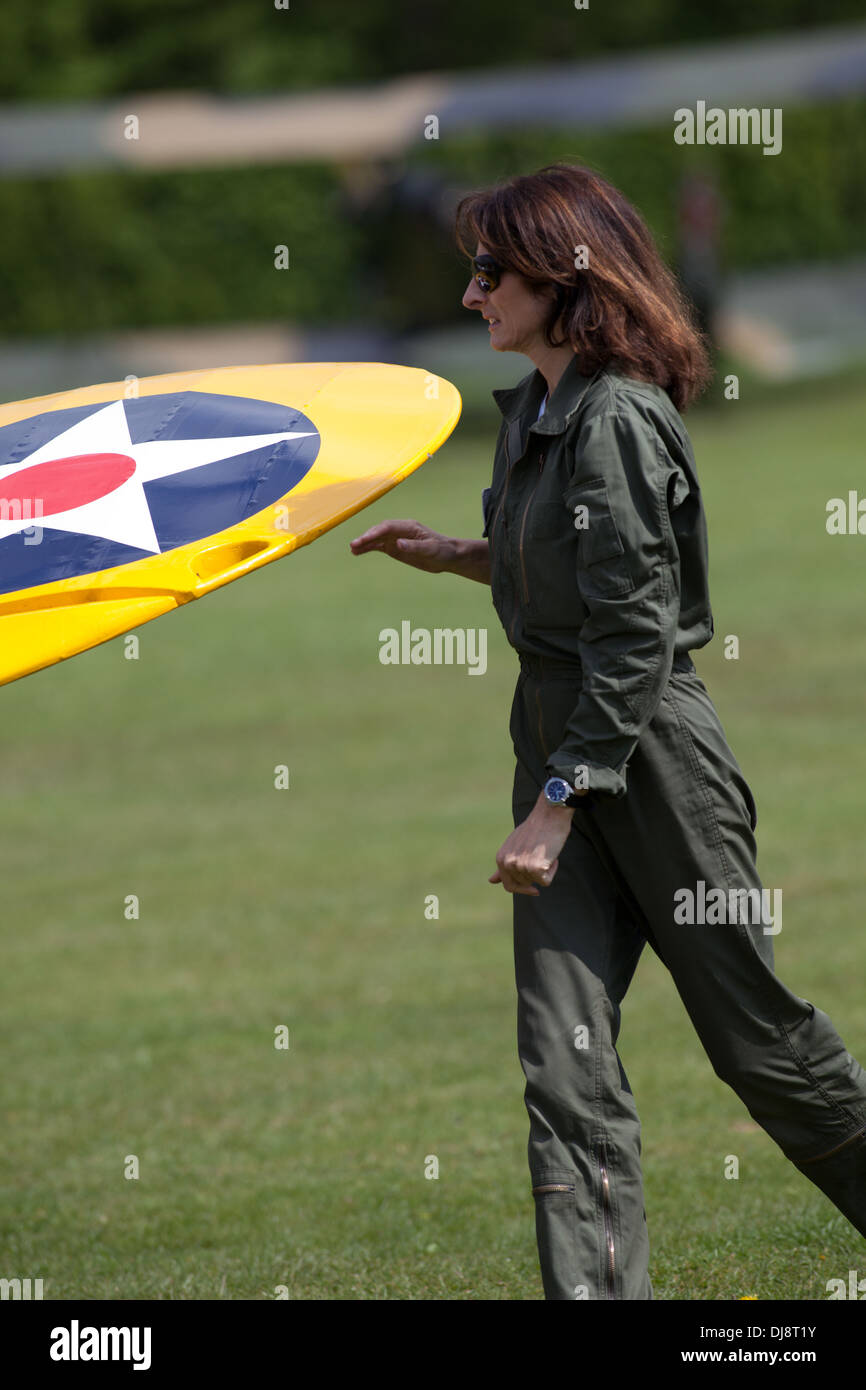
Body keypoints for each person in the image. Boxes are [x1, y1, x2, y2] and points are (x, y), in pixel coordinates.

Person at [350, 163, 866, 1300]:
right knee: (563, 1067)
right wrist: (456, 554)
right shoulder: (532, 410)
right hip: (560, 747)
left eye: (490, 271)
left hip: (646, 758)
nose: (473, 291)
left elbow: (634, 631)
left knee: (760, 1046)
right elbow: (567, 570)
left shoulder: (619, 418)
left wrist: (551, 805)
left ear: (557, 278)